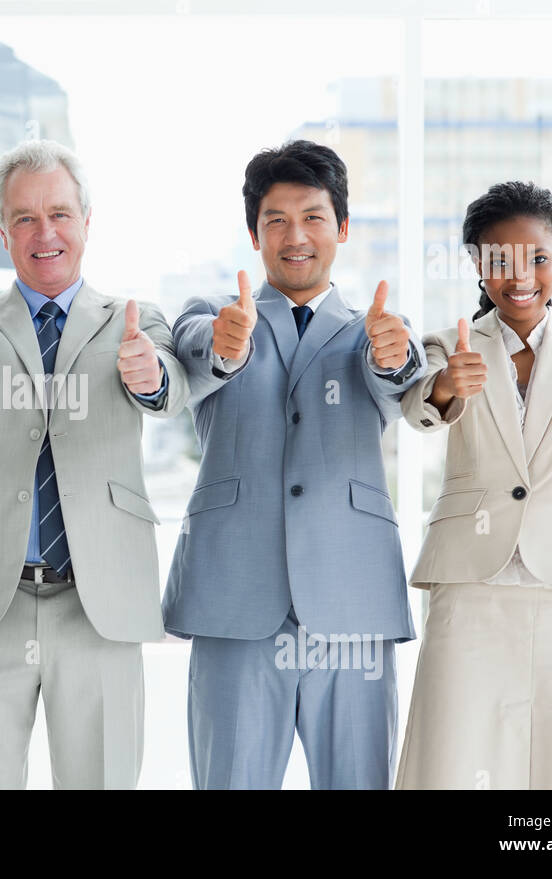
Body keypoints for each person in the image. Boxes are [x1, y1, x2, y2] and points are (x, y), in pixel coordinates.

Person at [0, 139, 190, 789]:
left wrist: (148, 376)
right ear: (2, 232)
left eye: (60, 213)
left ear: (87, 223)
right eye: (26, 218)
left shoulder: (134, 321)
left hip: (97, 605)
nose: (45, 232)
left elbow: (172, 386)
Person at [163, 140, 426, 789]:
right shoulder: (214, 318)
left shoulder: (380, 330)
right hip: (235, 604)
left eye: (312, 216)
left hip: (353, 603)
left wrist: (397, 357)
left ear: (341, 226)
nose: (295, 235)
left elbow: (403, 377)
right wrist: (228, 346)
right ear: (254, 233)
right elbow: (197, 355)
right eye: (276, 219)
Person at [395, 182, 552, 790]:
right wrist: (445, 387)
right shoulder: (449, 345)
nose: (521, 276)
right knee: (455, 749)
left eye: (537, 258)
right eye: (499, 260)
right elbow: (418, 408)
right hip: (472, 579)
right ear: (477, 266)